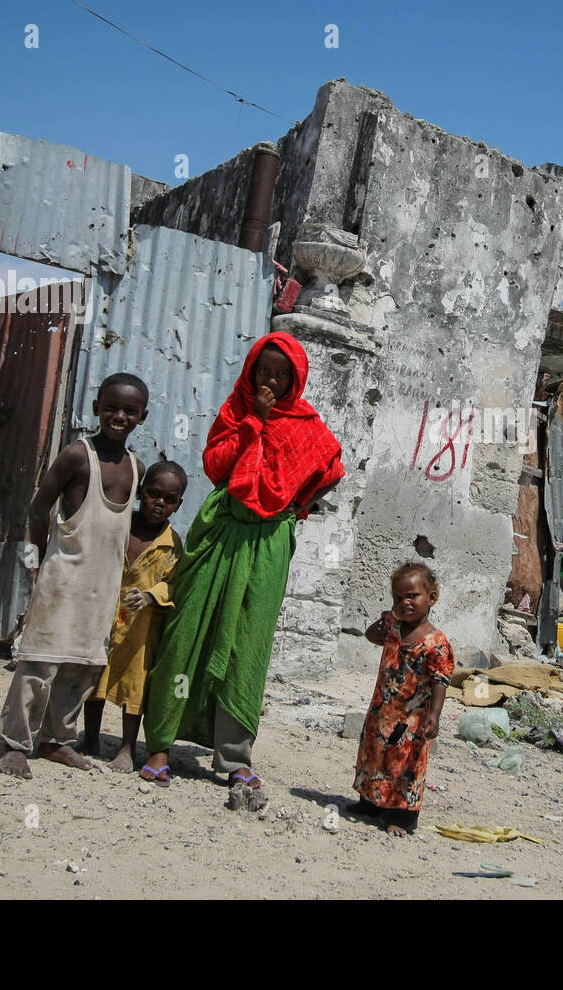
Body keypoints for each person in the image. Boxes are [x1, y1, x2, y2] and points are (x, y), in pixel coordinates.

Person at [141, 333, 343, 794]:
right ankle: (160, 743)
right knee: (187, 632)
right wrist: (256, 421)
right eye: (263, 371)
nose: (270, 380)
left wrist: (298, 507)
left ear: (295, 379)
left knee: (246, 647)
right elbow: (217, 468)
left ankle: (234, 757)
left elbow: (331, 466)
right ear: (252, 372)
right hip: (221, 533)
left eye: (280, 374)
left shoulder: (306, 424)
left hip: (268, 545)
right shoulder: (237, 411)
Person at [0, 373, 149, 779]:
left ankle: (56, 740)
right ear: (97, 407)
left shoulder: (138, 468)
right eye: (111, 407)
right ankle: (15, 742)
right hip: (62, 578)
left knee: (82, 667)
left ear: (142, 417)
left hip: (103, 587)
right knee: (40, 662)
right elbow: (38, 506)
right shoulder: (77, 457)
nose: (119, 416)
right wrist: (37, 558)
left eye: (129, 411)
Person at [81, 461, 187, 773]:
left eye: (169, 500)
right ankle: (90, 738)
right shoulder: (120, 526)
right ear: (140, 492)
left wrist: (150, 596)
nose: (159, 503)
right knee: (97, 677)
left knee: (135, 685)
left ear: (177, 505)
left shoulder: (171, 545)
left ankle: (126, 748)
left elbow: (173, 583)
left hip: (142, 629)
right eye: (153, 494)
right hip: (106, 617)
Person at [351, 562, 454, 836]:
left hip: (412, 717)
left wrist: (434, 715)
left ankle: (404, 816)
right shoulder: (394, 627)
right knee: (374, 754)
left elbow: (441, 680)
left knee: (405, 763)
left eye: (412, 596)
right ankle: (370, 801)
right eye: (398, 598)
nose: (405, 603)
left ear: (431, 598)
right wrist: (385, 620)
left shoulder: (436, 642)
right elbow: (372, 636)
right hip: (383, 710)